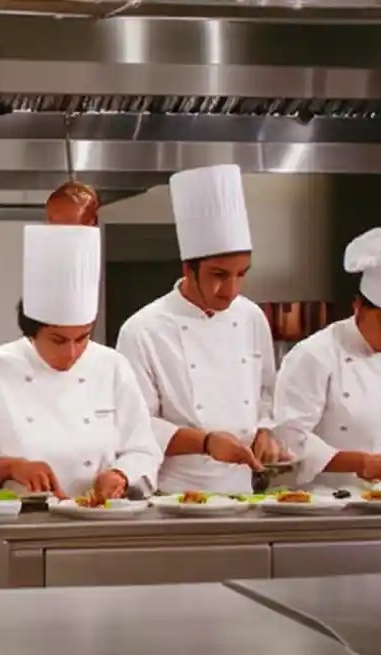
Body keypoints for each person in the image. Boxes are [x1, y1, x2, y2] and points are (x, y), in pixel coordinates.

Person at [0, 225, 162, 501]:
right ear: (31, 331)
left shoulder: (113, 367)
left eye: (83, 338)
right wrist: (11, 467)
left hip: (101, 518)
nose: (72, 353)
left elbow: (143, 450)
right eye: (59, 340)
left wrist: (120, 475)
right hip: (21, 522)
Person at [115, 164, 287, 495]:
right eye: (219, 274)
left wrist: (265, 431)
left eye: (241, 274)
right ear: (188, 268)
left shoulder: (252, 317)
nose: (231, 289)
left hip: (242, 492)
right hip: (174, 496)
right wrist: (206, 442)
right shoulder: (143, 330)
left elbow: (267, 393)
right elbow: (137, 425)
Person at [272, 228, 381, 492]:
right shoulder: (315, 354)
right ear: (358, 308)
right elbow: (289, 437)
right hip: (309, 498)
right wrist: (359, 462)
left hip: (372, 498)